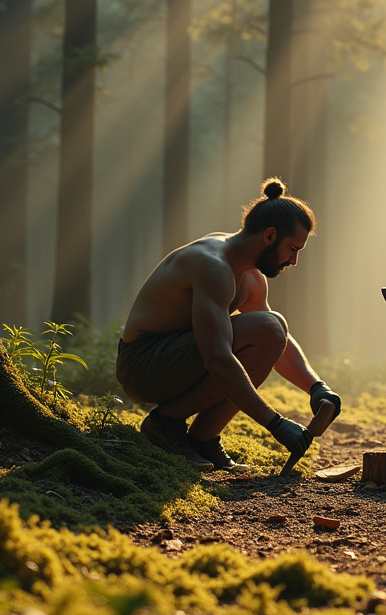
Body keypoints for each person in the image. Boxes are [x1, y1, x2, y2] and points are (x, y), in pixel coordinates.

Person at [117, 178, 341, 470]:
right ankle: (165, 423)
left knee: (272, 328)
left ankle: (203, 438)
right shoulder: (213, 265)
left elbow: (275, 342)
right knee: (268, 327)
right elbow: (218, 358)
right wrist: (275, 423)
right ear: (270, 236)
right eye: (293, 249)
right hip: (143, 366)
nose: (294, 261)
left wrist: (316, 387)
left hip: (174, 358)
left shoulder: (249, 276)